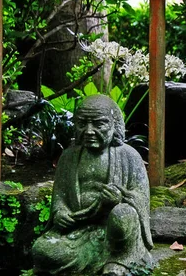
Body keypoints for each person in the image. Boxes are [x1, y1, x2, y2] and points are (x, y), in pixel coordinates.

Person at [32, 95, 153, 275]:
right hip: (78, 231)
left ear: (115, 125)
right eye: (82, 124)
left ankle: (119, 260)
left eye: (99, 124)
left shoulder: (129, 156)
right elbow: (60, 197)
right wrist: (60, 213)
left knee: (123, 216)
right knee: (41, 250)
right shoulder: (68, 158)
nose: (89, 131)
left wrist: (119, 199)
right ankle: (98, 260)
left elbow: (142, 197)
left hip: (113, 231)